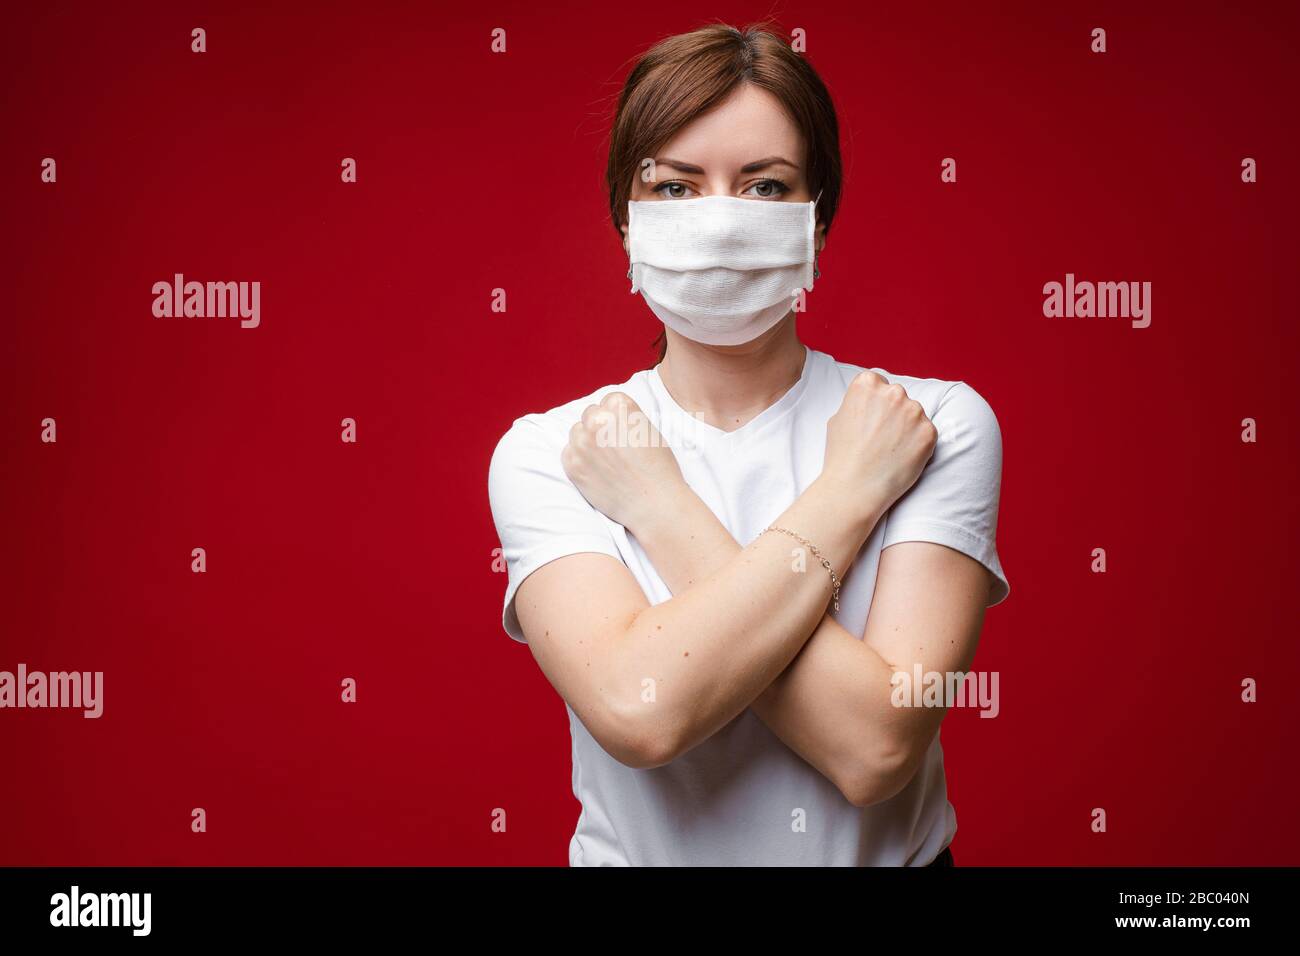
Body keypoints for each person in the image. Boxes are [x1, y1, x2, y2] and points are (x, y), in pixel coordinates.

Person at [487, 22, 1009, 866]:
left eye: (764, 187)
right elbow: (640, 711)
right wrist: (850, 496)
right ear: (626, 220)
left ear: (819, 221)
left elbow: (876, 748)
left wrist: (658, 508)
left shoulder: (929, 424)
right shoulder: (557, 451)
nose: (722, 224)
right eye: (676, 188)